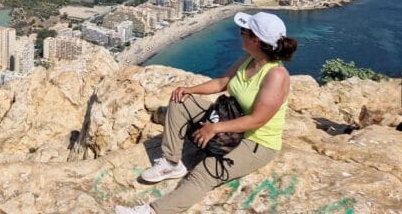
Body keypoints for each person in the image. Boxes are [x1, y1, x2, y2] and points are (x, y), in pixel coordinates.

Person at [115, 12, 297, 214]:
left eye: (244, 31)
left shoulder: (276, 75)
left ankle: (153, 211)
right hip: (232, 117)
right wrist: (189, 91)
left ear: (256, 40)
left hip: (257, 142)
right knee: (180, 101)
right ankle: (171, 162)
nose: (240, 34)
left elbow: (258, 120)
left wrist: (215, 127)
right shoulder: (249, 59)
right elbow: (221, 82)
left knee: (205, 172)